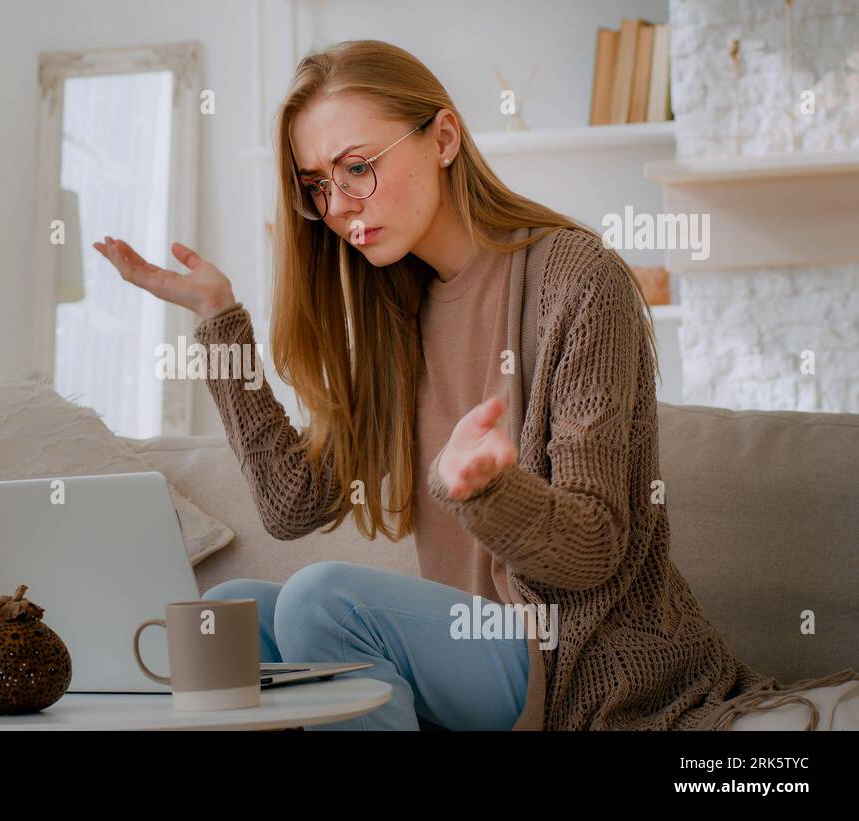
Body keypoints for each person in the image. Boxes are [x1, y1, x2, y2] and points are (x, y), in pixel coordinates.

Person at [92, 39, 783, 730]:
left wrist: (487, 491)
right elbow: (292, 503)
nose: (338, 206)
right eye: (317, 185)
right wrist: (219, 322)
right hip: (478, 655)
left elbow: (595, 545)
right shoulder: (395, 308)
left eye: (357, 167)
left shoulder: (579, 280)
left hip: (575, 660)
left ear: (444, 137)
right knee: (227, 617)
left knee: (321, 601)